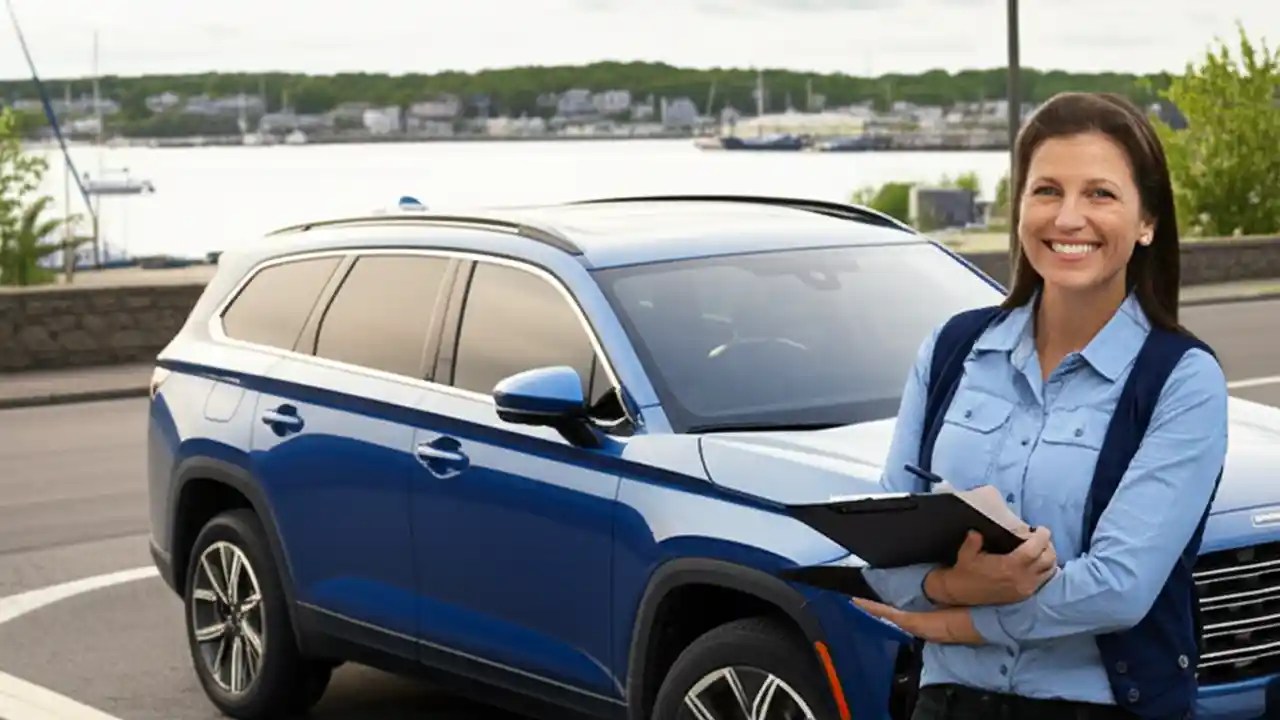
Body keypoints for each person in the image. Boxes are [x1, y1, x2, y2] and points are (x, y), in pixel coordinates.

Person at [854, 91, 1230, 720]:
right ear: (1020, 208)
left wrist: (956, 621)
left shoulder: (1183, 380)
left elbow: (1118, 589)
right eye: (1047, 191)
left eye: (1100, 194)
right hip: (945, 704)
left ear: (1147, 222)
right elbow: (883, 550)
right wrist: (949, 584)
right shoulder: (951, 350)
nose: (1069, 217)